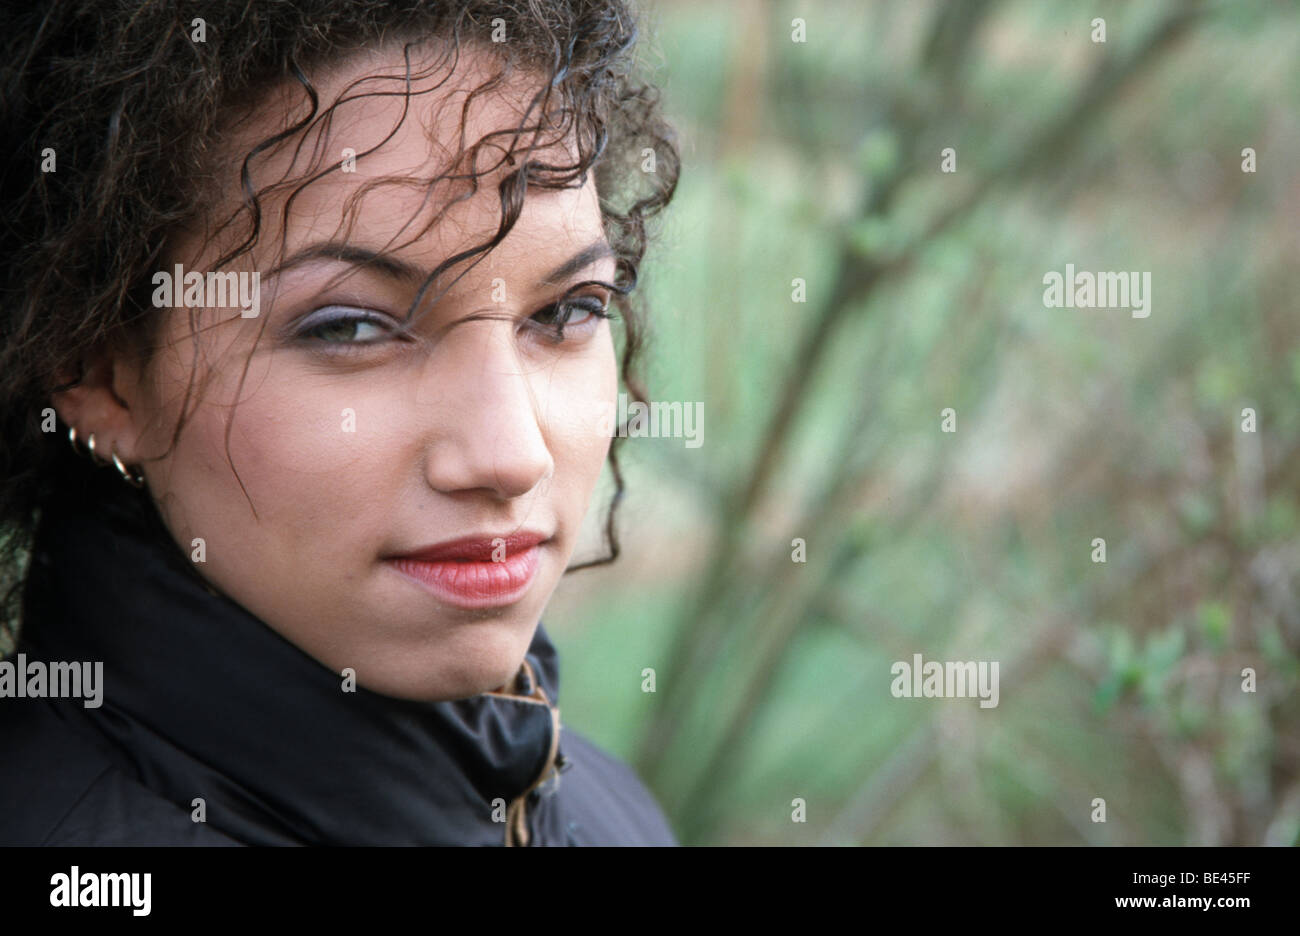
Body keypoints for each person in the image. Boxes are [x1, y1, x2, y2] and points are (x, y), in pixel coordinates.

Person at [0, 0, 680, 846]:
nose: (509, 456)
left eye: (566, 312)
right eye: (351, 327)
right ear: (100, 375)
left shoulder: (601, 806)